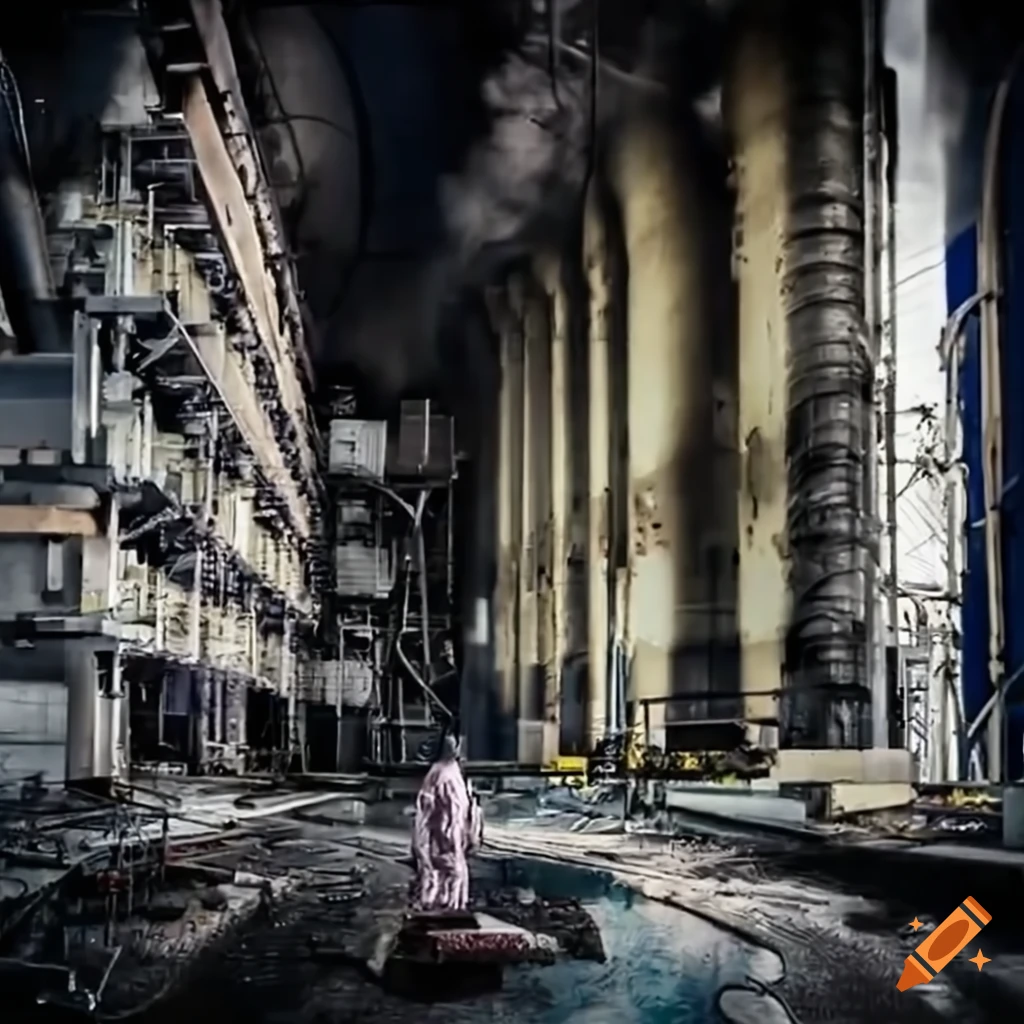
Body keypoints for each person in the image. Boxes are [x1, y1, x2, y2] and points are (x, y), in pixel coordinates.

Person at [410, 732, 483, 912]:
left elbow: (465, 810)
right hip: (443, 844)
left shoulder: (453, 773)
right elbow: (428, 815)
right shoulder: (442, 775)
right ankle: (442, 909)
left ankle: (448, 909)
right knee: (444, 881)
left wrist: (471, 835)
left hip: (452, 843)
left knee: (451, 880)